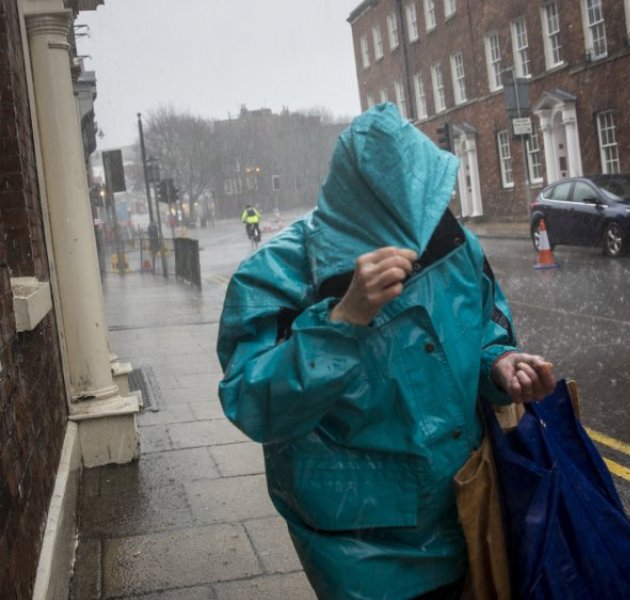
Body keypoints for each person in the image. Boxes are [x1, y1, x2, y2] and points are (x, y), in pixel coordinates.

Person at [217, 103, 555, 599]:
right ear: (362, 197)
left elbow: (486, 327)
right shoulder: (277, 275)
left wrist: (500, 365)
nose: (430, 217)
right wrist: (343, 319)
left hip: (467, 510)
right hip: (361, 549)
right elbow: (255, 403)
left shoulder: (455, 243)